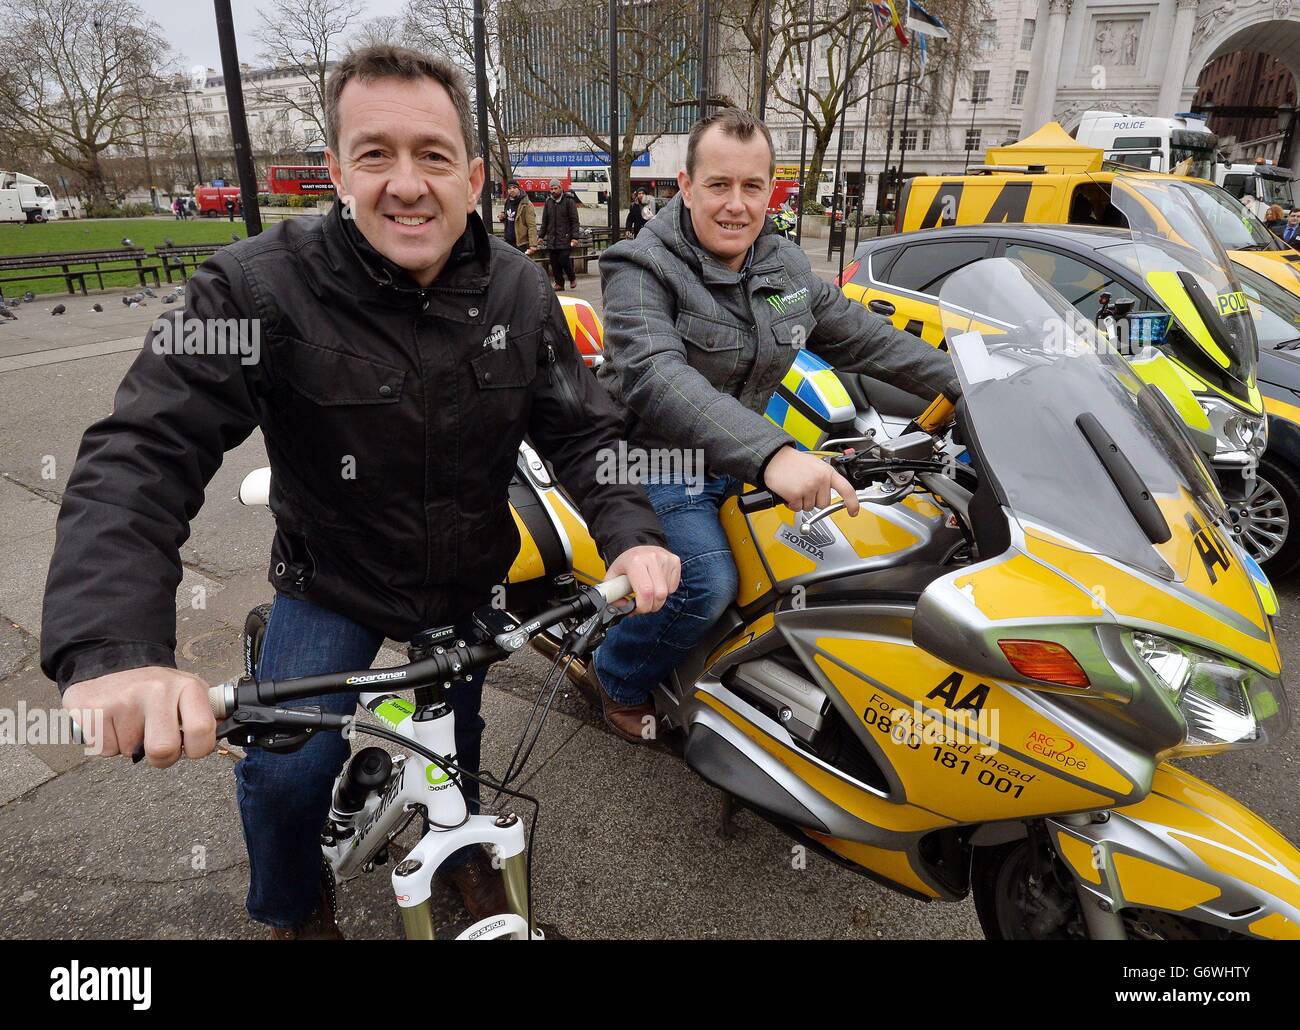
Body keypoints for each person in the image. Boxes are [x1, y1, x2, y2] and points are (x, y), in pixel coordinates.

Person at [42, 44, 679, 939]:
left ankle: (459, 851)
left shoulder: (521, 291)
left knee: (454, 743)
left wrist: (633, 531)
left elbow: (583, 429)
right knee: (286, 771)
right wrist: (114, 648)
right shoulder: (252, 289)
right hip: (330, 577)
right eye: (375, 154)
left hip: (461, 581)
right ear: (336, 170)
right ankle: (295, 905)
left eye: (432, 155)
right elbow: (145, 448)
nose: (407, 183)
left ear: (473, 173)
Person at [583, 108, 959, 741]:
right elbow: (655, 373)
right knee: (706, 582)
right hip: (651, 462)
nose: (736, 205)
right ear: (685, 186)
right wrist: (772, 455)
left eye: (752, 186)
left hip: (741, 455)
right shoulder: (639, 267)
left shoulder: (782, 266)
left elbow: (867, 342)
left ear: (771, 189)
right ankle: (615, 674)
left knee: (834, 564)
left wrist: (970, 381)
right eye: (718, 186)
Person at [533, 177, 579, 290]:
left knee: (563, 259)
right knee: (554, 262)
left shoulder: (569, 201)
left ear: (560, 188)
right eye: (551, 189)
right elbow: (545, 221)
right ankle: (559, 283)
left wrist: (575, 237)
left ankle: (572, 277)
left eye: (555, 188)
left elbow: (574, 221)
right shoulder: (549, 202)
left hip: (565, 237)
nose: (553, 191)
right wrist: (541, 236)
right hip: (552, 238)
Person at [499, 178, 539, 251]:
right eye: (509, 188)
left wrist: (533, 244)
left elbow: (532, 225)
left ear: (519, 189)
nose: (512, 190)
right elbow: (509, 217)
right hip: (508, 241)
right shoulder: (508, 201)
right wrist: (503, 217)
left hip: (520, 244)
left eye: (514, 187)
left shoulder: (526, 204)